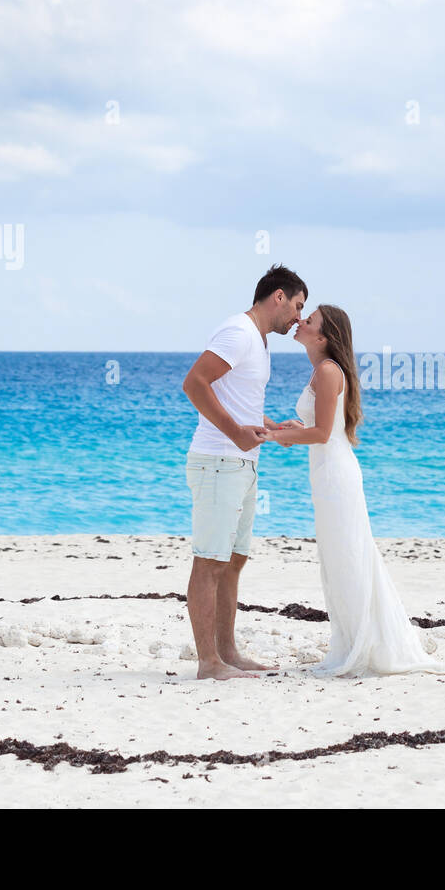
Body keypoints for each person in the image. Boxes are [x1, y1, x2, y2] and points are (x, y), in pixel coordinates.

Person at [266, 305, 445, 676]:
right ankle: (356, 640)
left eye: (309, 320)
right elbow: (323, 428)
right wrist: (290, 429)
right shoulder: (326, 371)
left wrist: (277, 434)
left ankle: (360, 646)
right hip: (329, 469)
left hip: (335, 473)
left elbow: (321, 434)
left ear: (322, 337)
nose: (300, 322)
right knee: (343, 557)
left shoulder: (326, 371)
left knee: (347, 558)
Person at [180, 265, 307, 680]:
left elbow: (239, 400)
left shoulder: (259, 340)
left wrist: (270, 426)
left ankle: (227, 652)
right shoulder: (238, 332)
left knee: (234, 560)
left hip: (243, 463)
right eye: (297, 306)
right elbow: (195, 383)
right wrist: (235, 433)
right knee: (210, 561)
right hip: (218, 460)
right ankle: (208, 663)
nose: (299, 318)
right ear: (278, 297)